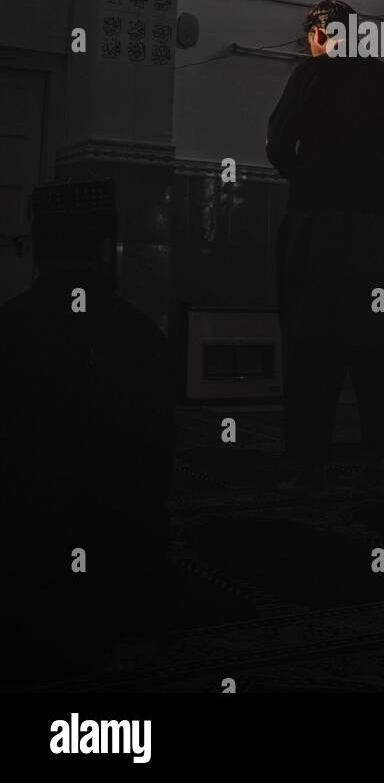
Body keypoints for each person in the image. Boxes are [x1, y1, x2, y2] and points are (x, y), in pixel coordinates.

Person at [0, 180, 175, 679]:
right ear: (105, 251)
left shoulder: (6, 332)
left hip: (18, 589)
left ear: (36, 252)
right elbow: (156, 474)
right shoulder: (143, 339)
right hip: (116, 594)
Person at [266, 0, 384, 496]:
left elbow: (278, 145)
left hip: (319, 229)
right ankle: (380, 466)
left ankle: (311, 468)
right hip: (375, 232)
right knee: (374, 351)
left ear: (320, 35)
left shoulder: (312, 78)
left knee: (311, 348)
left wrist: (308, 178)